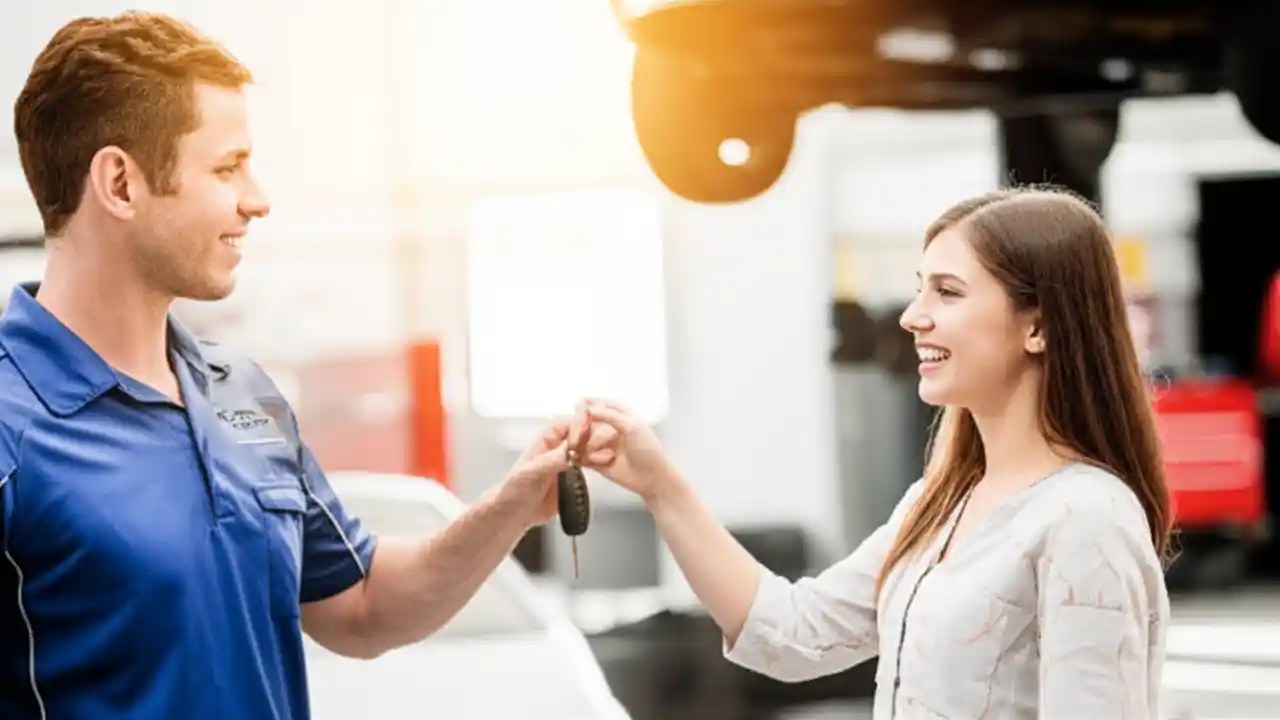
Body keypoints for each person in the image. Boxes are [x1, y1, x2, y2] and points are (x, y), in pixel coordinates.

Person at [0, 12, 610, 719]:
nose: (257, 199)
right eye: (228, 167)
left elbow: (362, 605)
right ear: (121, 184)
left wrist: (508, 509)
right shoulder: (12, 422)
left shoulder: (245, 395)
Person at [575, 186, 1174, 719]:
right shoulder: (937, 506)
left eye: (948, 292)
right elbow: (793, 634)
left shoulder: (1086, 519)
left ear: (1037, 327)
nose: (914, 316)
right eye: (920, 291)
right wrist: (660, 486)